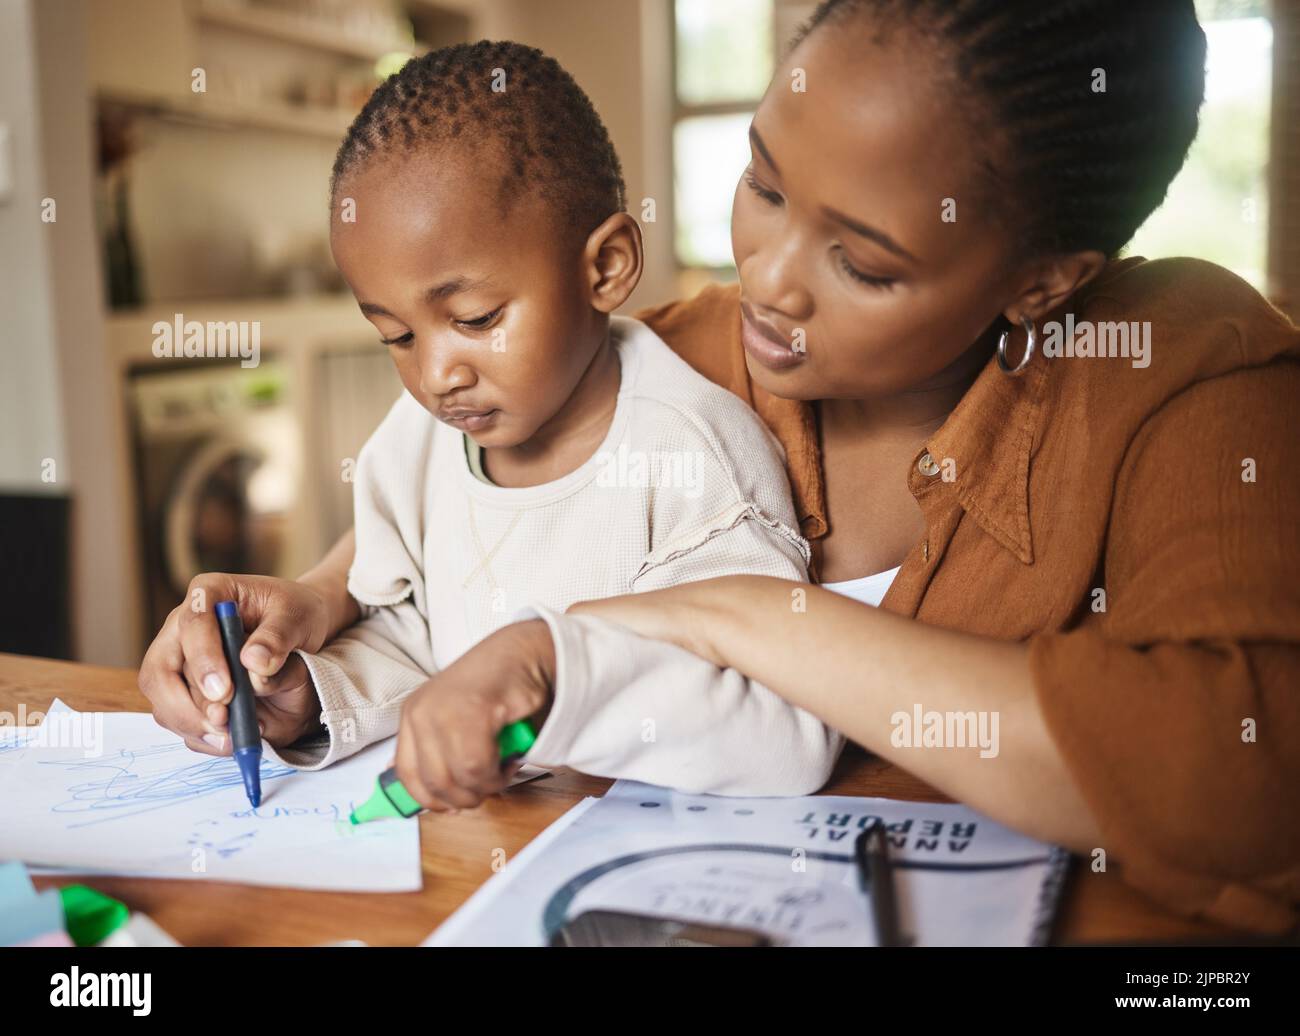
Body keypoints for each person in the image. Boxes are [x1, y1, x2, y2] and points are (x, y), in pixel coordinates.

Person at [141, 2, 1300, 931]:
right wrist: (313, 610)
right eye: (764, 184)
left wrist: (736, 616)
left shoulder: (1181, 367)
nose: (771, 278)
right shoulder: (685, 348)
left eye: (862, 260)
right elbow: (465, 505)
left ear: (1043, 281)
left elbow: (1242, 788)